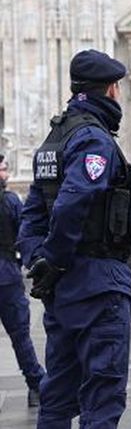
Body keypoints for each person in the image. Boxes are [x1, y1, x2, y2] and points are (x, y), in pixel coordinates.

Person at [17, 49, 131, 429]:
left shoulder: (51, 141)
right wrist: (54, 257)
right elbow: (75, 200)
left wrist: (41, 261)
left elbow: (32, 211)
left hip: (64, 288)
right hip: (97, 278)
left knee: (59, 387)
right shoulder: (92, 139)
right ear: (110, 88)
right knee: (102, 389)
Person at [0, 154, 45, 407]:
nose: (6, 174)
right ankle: (36, 384)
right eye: (3, 169)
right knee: (20, 335)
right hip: (6, 275)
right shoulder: (10, 201)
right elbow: (23, 232)